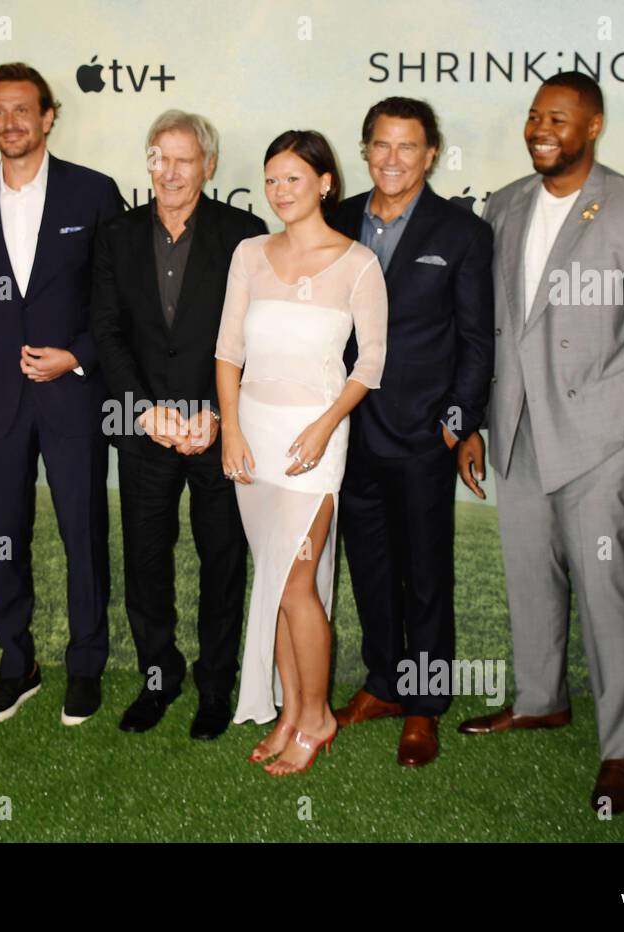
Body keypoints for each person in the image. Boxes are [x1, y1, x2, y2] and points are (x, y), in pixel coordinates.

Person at [454, 72, 624, 814]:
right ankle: (540, 700)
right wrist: (472, 420)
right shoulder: (504, 205)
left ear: (592, 126)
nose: (541, 128)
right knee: (529, 578)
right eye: (534, 116)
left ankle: (620, 748)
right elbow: (488, 327)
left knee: (607, 593)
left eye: (558, 118)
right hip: (519, 431)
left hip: (601, 441)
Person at [0, 62, 125, 726]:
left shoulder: (94, 193)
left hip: (72, 394)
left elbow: (116, 301)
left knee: (82, 530)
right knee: (4, 534)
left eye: (23, 110)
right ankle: (15, 664)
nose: (10, 123)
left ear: (49, 116)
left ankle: (85, 667)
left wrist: (77, 355)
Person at [216, 130, 388, 775]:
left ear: (325, 183)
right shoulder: (249, 254)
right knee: (281, 582)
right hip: (253, 439)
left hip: (315, 442)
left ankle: (316, 717)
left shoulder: (356, 264)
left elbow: (371, 362)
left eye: (294, 178)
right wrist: (231, 429)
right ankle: (290, 710)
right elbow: (228, 349)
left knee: (298, 581)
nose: (281, 191)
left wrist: (324, 426)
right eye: (271, 180)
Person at [329, 97, 494, 766]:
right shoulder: (336, 221)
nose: (392, 159)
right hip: (345, 430)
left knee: (425, 574)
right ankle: (383, 683)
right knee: (368, 565)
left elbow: (477, 341)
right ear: (364, 150)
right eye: (381, 145)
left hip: (423, 435)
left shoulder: (463, 233)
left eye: (408, 147)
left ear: (431, 154)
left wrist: (457, 426)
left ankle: (423, 705)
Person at [91, 110, 267, 740]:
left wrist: (222, 415)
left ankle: (215, 688)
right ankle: (157, 678)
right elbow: (107, 331)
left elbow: (257, 336)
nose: (169, 171)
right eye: (158, 157)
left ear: (208, 166)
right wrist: (145, 409)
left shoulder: (245, 235)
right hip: (145, 432)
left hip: (218, 432)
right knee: (145, 561)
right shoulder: (116, 234)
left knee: (223, 561)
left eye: (183, 159)